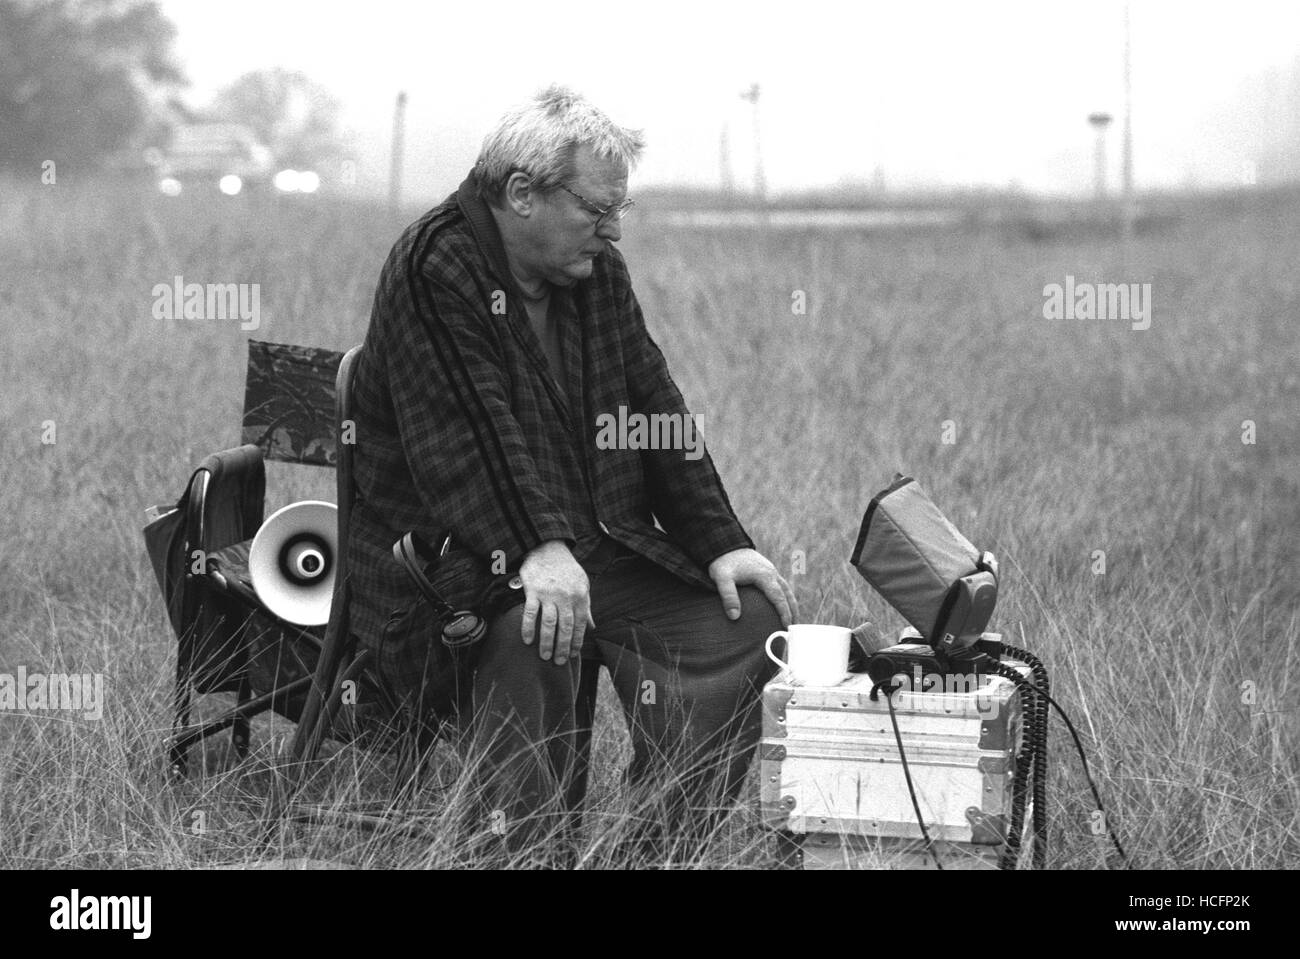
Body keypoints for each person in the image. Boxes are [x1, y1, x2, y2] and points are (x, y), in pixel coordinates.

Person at [346, 85, 797, 859]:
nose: (613, 229)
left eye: (619, 210)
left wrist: (720, 539)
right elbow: (468, 432)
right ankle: (523, 854)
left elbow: (653, 402)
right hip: (449, 560)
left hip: (590, 546)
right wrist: (537, 548)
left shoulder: (595, 273)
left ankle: (652, 847)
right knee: (538, 623)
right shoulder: (435, 264)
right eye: (597, 208)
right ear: (522, 192)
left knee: (748, 619)